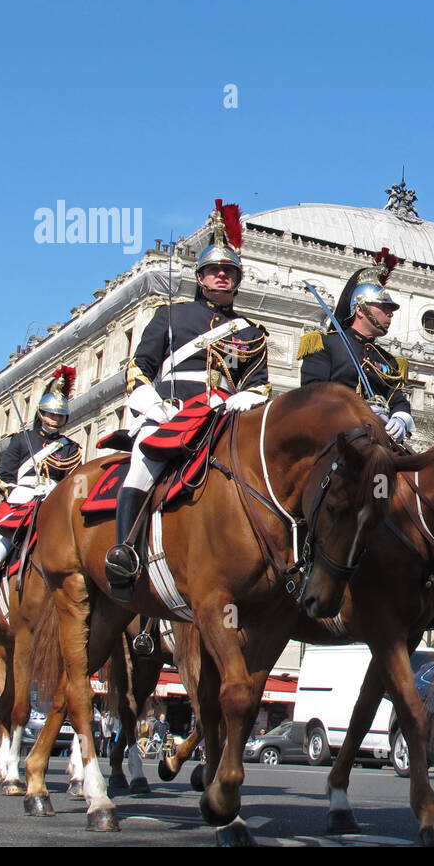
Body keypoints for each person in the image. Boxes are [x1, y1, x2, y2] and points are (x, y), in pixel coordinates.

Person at [104, 200, 270, 599]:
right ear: (200, 276)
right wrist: (150, 401)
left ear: (237, 279)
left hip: (222, 414)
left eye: (229, 272)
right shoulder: (171, 316)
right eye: (214, 270)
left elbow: (260, 383)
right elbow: (140, 366)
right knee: (144, 461)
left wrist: (240, 399)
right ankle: (124, 552)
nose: (221, 276)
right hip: (170, 410)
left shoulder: (251, 332)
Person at [0, 368, 82, 600]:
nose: (55, 420)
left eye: (59, 416)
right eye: (51, 414)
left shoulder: (70, 447)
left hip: (53, 501)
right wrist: (20, 492)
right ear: (41, 414)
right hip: (20, 503)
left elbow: (73, 480)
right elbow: (5, 476)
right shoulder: (22, 440)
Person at [299, 249, 414, 445]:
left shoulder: (389, 361)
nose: (390, 314)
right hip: (333, 439)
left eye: (391, 309)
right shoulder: (326, 344)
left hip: (378, 440)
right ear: (360, 310)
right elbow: (312, 395)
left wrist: (401, 417)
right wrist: (359, 411)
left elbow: (397, 397)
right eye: (384, 307)